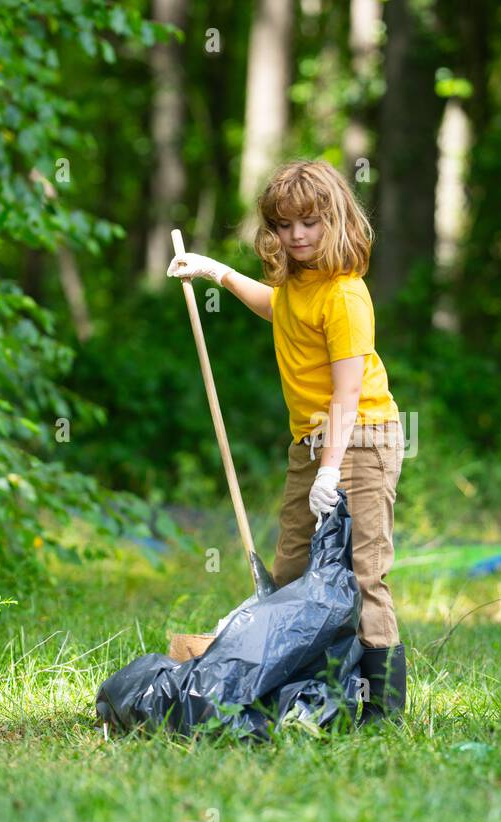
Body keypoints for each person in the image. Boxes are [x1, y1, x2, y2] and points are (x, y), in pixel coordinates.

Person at [167, 159, 406, 723]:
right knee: (292, 568)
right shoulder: (296, 284)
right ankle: (306, 691)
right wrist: (213, 271)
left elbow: (347, 393)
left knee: (363, 570)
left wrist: (331, 470)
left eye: (310, 223)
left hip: (362, 440)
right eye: (283, 225)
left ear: (336, 219)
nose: (296, 236)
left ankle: (384, 712)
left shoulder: (345, 295)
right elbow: (275, 309)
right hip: (311, 444)